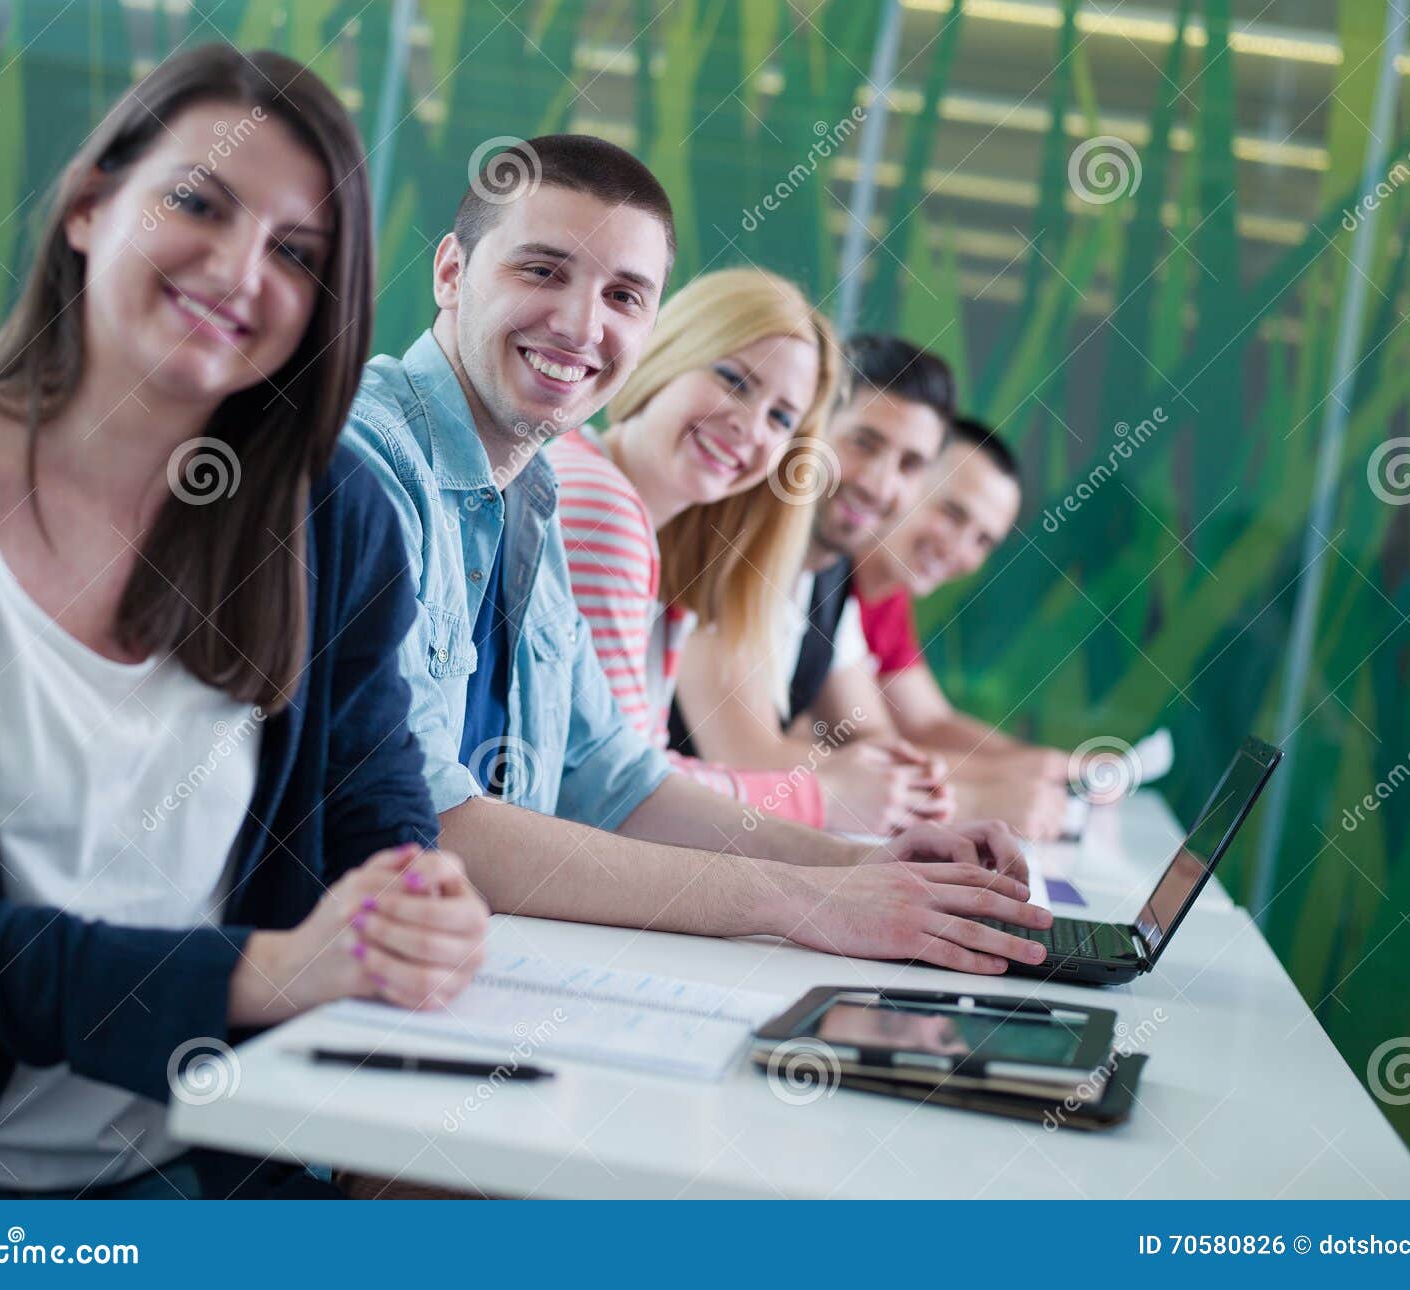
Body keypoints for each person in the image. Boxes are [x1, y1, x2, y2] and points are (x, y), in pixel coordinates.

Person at [0, 45, 487, 1200]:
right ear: (92, 206)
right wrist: (269, 973)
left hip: (193, 1166)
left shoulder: (331, 519)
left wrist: (411, 898)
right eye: (198, 201)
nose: (241, 270)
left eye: (298, 254)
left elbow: (369, 799)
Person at [340, 135, 1053, 974]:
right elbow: (428, 820)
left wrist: (864, 865)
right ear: (452, 273)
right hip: (323, 1001)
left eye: (624, 296)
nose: (580, 324)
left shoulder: (532, 491)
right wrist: (808, 902)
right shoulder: (367, 463)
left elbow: (612, 780)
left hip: (462, 974)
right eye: (541, 271)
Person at [551, 267, 948, 834]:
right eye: (734, 380)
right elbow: (621, 795)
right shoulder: (603, 509)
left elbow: (635, 772)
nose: (749, 425)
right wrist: (822, 804)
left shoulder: (656, 536)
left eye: (782, 417)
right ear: (668, 352)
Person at [674, 336, 1064, 838]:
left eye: (909, 465)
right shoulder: (730, 545)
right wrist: (974, 800)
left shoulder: (831, 577)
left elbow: (874, 740)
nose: (879, 485)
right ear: (810, 428)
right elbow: (752, 756)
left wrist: (1002, 783)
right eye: (864, 443)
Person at [854, 418, 1074, 802]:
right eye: (953, 514)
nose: (959, 549)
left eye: (983, 540)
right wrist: (1009, 778)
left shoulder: (887, 597)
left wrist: (1054, 766)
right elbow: (827, 742)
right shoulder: (822, 577)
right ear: (905, 478)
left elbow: (927, 723)